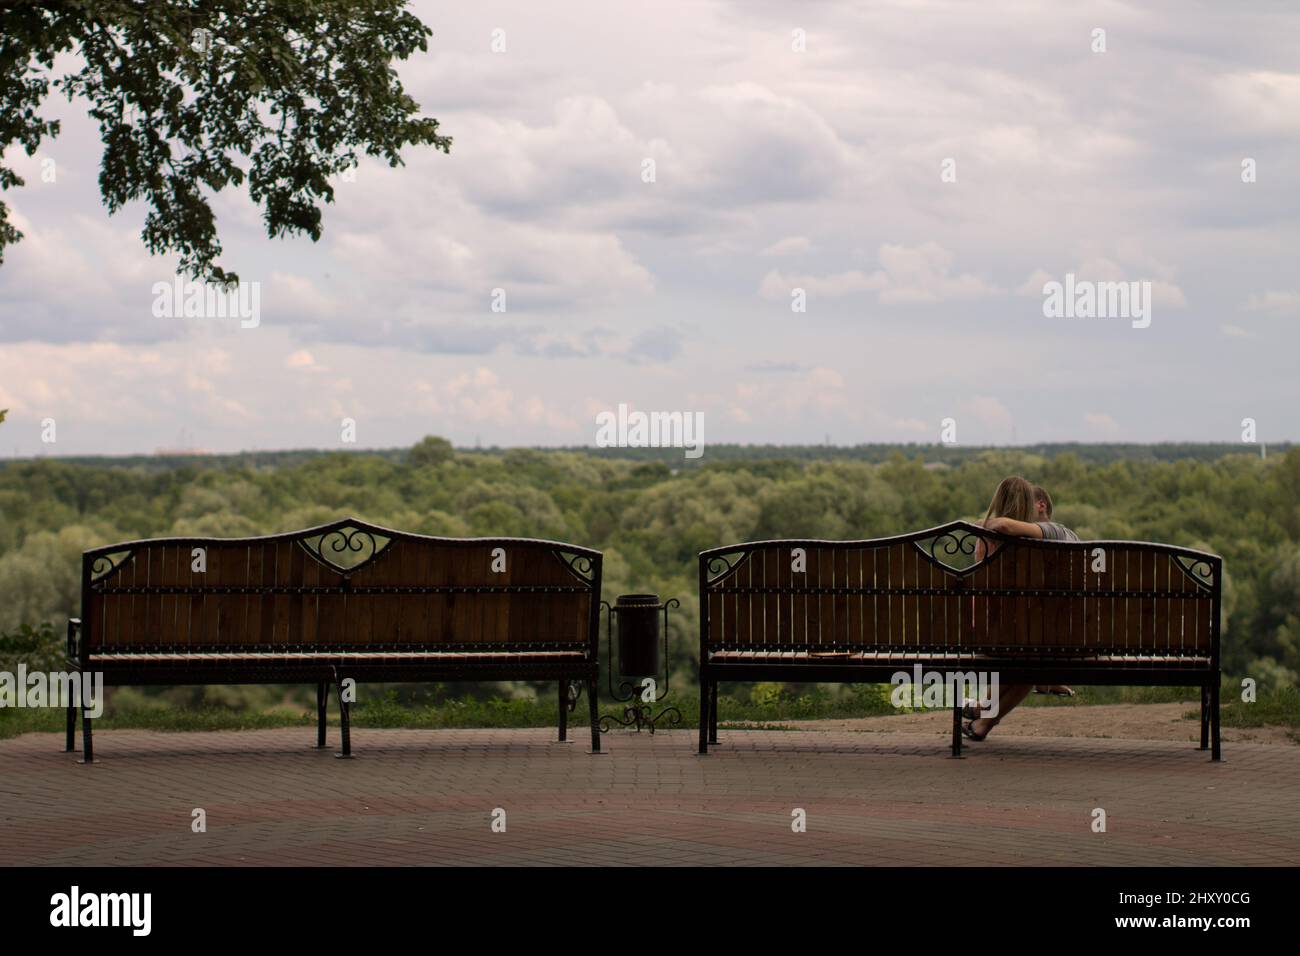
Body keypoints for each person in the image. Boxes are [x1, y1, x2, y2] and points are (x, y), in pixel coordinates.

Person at [962, 476, 1080, 742]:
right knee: (1033, 655)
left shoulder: (983, 542)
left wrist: (979, 523)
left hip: (989, 637)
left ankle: (983, 713)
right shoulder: (1057, 535)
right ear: (1034, 506)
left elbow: (1002, 524)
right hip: (1042, 639)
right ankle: (984, 723)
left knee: (1027, 651)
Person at [1031, 485, 1076, 700]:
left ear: (1042, 505)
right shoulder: (1069, 536)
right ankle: (983, 715)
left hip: (1062, 638)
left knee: (1017, 652)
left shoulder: (1052, 532)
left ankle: (982, 713)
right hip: (1074, 632)